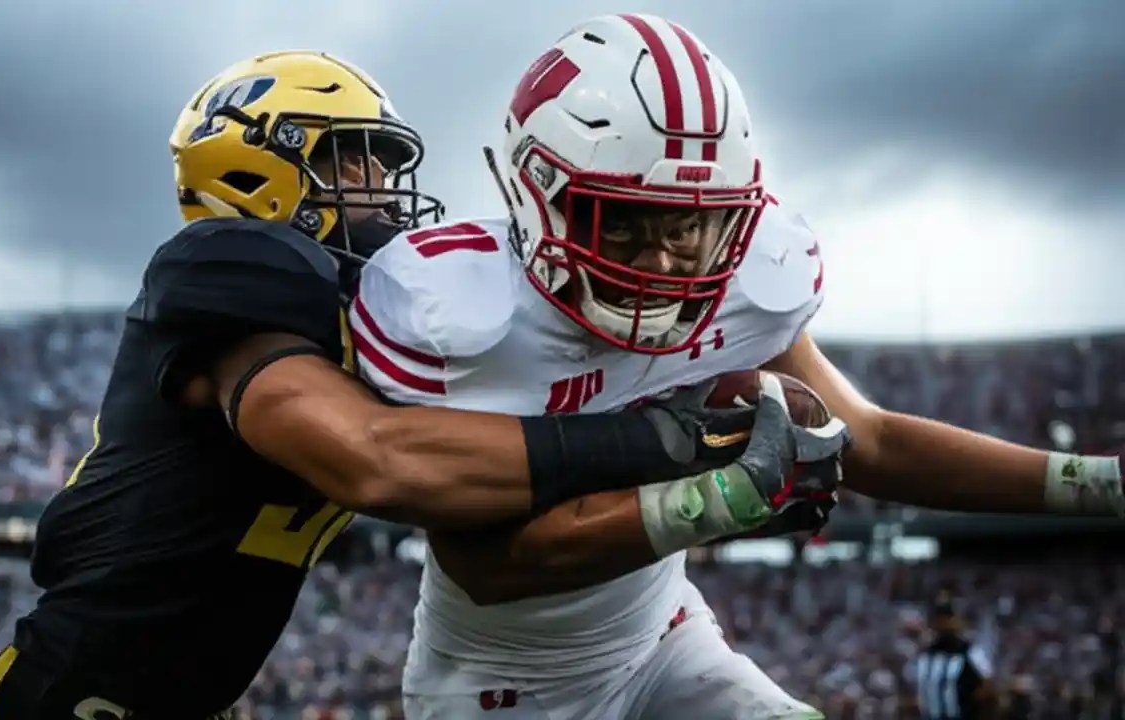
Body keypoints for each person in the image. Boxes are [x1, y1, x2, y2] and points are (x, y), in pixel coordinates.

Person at [0, 50, 828, 720]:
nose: (382, 191)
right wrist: (662, 444)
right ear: (252, 170)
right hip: (73, 692)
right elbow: (383, 462)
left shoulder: (352, 313)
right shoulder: (229, 264)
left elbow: (474, 457)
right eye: (354, 164)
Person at [344, 13, 1125, 719]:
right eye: (623, 221)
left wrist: (1097, 483)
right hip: (499, 684)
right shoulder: (458, 312)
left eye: (691, 227)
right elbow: (487, 566)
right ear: (533, 190)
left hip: (665, 637)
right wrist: (720, 500)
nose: (661, 261)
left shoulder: (748, 286)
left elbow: (872, 443)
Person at [913, 591, 997, 719]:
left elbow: (987, 687)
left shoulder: (969, 652)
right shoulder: (926, 654)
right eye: (939, 619)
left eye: (947, 618)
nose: (943, 624)